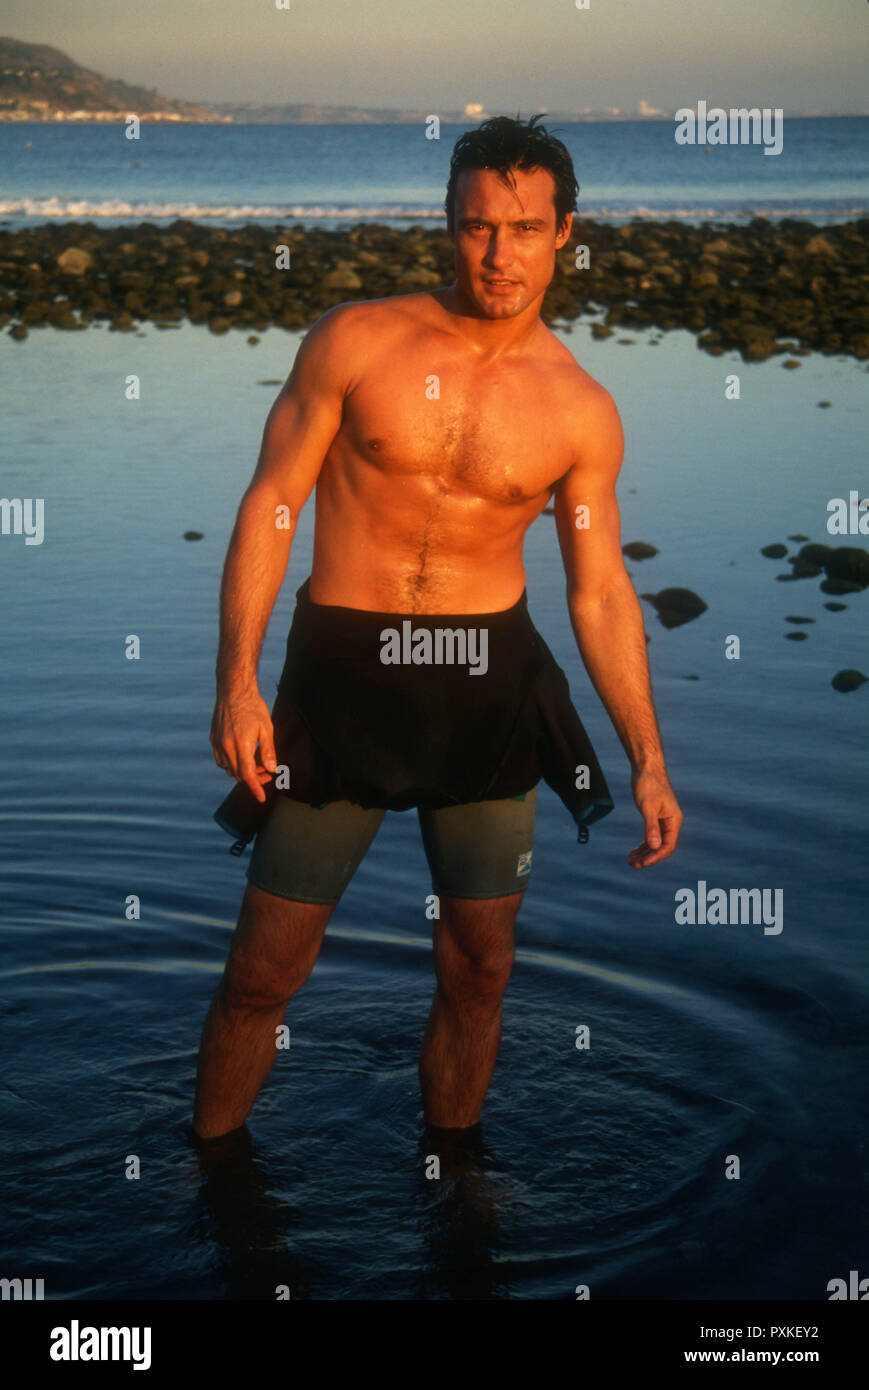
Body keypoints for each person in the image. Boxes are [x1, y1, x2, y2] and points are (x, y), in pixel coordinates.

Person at [193, 115, 682, 1143]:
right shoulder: (353, 341)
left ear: (563, 233)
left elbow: (596, 593)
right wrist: (236, 681)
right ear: (447, 224)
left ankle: (454, 1188)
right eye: (475, 227)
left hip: (485, 688)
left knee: (480, 968)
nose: (497, 253)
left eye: (522, 227)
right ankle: (211, 1178)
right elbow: (271, 503)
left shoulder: (581, 410)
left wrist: (646, 756)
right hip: (342, 683)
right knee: (263, 969)